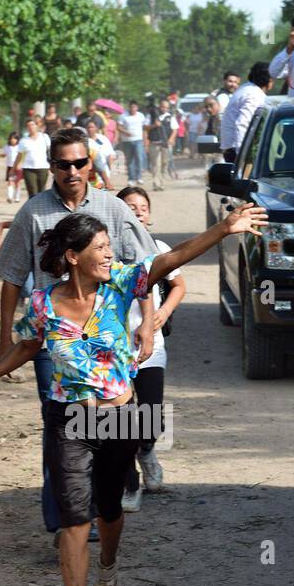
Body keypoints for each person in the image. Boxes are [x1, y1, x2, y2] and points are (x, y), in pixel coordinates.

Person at [0, 203, 268, 586]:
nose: (109, 254)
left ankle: (109, 568)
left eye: (110, 246)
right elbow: (28, 346)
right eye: (100, 247)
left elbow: (169, 261)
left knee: (109, 507)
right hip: (69, 417)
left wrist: (224, 228)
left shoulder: (120, 285)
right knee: (74, 516)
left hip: (121, 414)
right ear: (74, 256)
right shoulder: (42, 302)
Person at [0, 126, 158, 538]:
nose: (73, 171)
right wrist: (4, 336)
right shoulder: (34, 212)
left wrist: (147, 326)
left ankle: (100, 508)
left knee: (105, 429)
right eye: (63, 164)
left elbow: (144, 272)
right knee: (60, 422)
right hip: (52, 337)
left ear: (91, 163)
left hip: (105, 339)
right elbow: (12, 276)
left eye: (80, 162)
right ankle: (68, 521)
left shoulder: (113, 210)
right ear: (51, 167)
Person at [116, 186, 184, 512]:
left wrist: (164, 312)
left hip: (151, 345)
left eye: (143, 206)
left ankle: (147, 449)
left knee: (152, 414)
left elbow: (178, 285)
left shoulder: (158, 249)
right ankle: (128, 484)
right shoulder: (105, 251)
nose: (138, 211)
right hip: (112, 349)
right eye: (130, 206)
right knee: (121, 417)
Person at [222, 62, 273, 162]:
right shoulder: (254, 95)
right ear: (269, 80)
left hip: (232, 148)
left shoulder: (246, 89)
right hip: (237, 150)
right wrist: (244, 156)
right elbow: (242, 124)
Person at [145, 99, 175, 191]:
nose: (164, 109)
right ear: (159, 106)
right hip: (154, 143)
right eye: (163, 106)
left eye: (166, 107)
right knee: (155, 164)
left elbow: (175, 129)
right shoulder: (151, 115)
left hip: (166, 144)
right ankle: (156, 183)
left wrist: (171, 139)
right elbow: (145, 127)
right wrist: (154, 125)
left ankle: (162, 183)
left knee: (164, 163)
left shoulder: (170, 117)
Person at [18, 117, 52, 197]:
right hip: (28, 168)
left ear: (36, 126)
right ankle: (32, 208)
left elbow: (50, 151)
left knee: (41, 190)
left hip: (43, 167)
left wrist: (53, 164)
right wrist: (14, 167)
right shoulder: (23, 140)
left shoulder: (44, 137)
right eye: (28, 125)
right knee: (32, 191)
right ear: (27, 128)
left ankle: (41, 208)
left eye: (32, 125)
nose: (31, 127)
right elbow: (19, 155)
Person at [117, 100, 147, 184]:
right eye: (131, 107)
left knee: (139, 158)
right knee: (129, 159)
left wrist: (145, 139)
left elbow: (144, 128)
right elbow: (118, 127)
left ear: (137, 107)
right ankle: (131, 178)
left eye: (134, 107)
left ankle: (139, 177)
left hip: (138, 139)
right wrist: (125, 132)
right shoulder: (123, 116)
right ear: (129, 107)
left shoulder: (141, 116)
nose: (133, 109)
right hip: (127, 141)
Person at [85, 120, 116, 191]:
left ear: (96, 128)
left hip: (105, 171)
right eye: (88, 127)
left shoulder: (103, 139)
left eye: (92, 127)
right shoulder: (85, 141)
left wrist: (111, 169)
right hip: (93, 174)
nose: (90, 129)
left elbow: (111, 154)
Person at [3, 131, 24, 202]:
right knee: (10, 181)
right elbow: (4, 155)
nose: (13, 140)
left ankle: (17, 197)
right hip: (10, 166)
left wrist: (20, 165)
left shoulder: (19, 147)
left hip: (18, 167)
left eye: (15, 139)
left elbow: (21, 157)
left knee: (17, 183)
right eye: (11, 138)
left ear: (17, 139)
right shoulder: (7, 147)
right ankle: (10, 197)